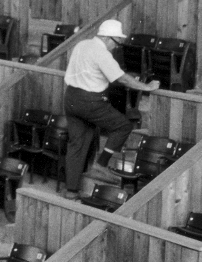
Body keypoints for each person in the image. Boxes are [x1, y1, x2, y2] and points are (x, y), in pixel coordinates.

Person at [62, 18, 159, 191]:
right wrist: (147, 87)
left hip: (71, 98)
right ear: (107, 38)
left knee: (76, 144)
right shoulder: (102, 53)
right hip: (90, 101)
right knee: (123, 126)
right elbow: (122, 79)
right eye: (116, 42)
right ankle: (101, 164)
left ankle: (71, 190)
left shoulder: (81, 45)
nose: (116, 46)